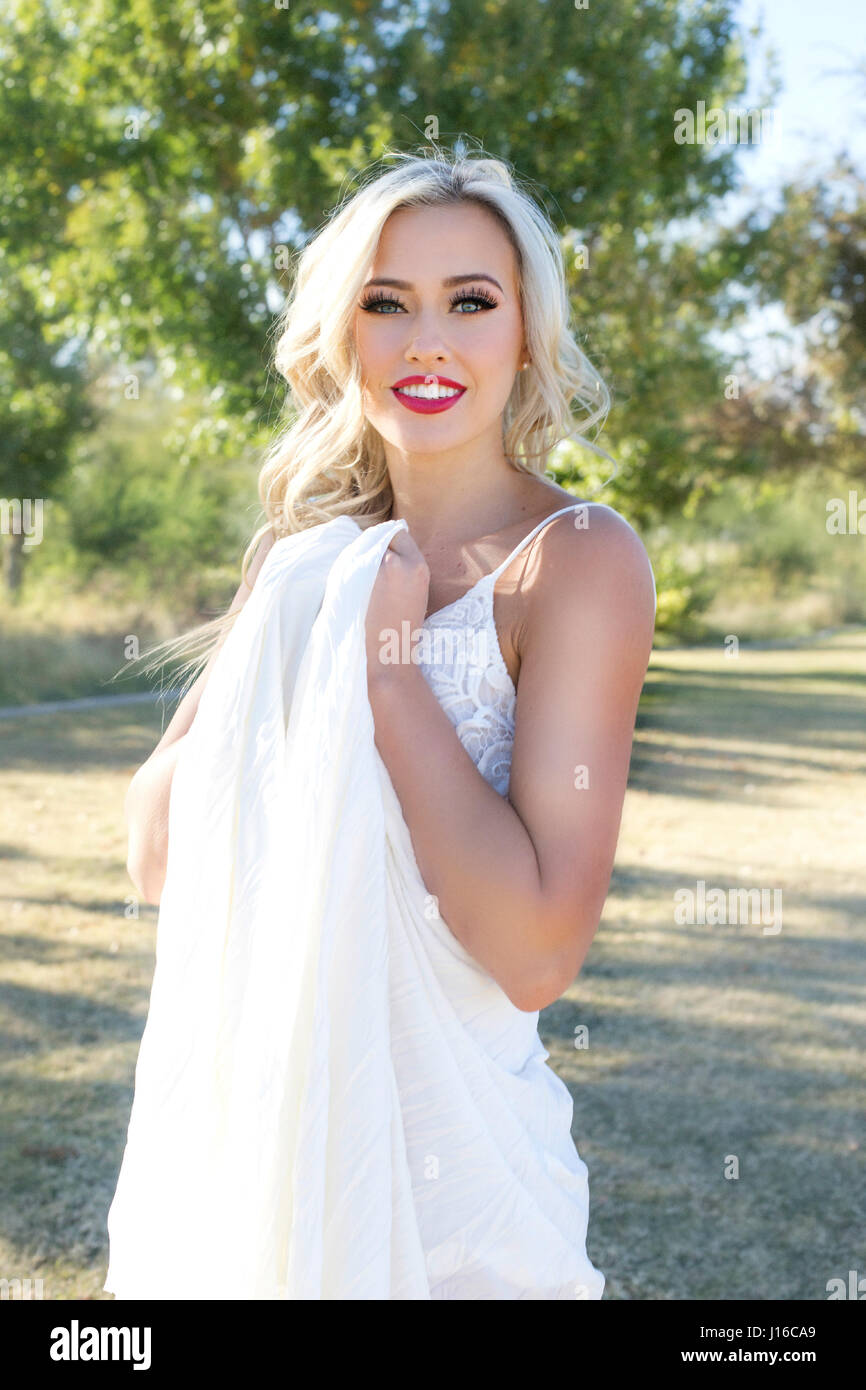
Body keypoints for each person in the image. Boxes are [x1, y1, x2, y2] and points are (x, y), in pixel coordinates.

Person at [111, 146, 656, 1300]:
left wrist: (391, 679)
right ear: (339, 335)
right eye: (385, 303)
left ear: (523, 334)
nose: (428, 343)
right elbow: (159, 853)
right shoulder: (305, 563)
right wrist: (294, 622)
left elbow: (536, 950)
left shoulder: (577, 559)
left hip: (459, 1181)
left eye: (471, 302)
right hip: (270, 1139)